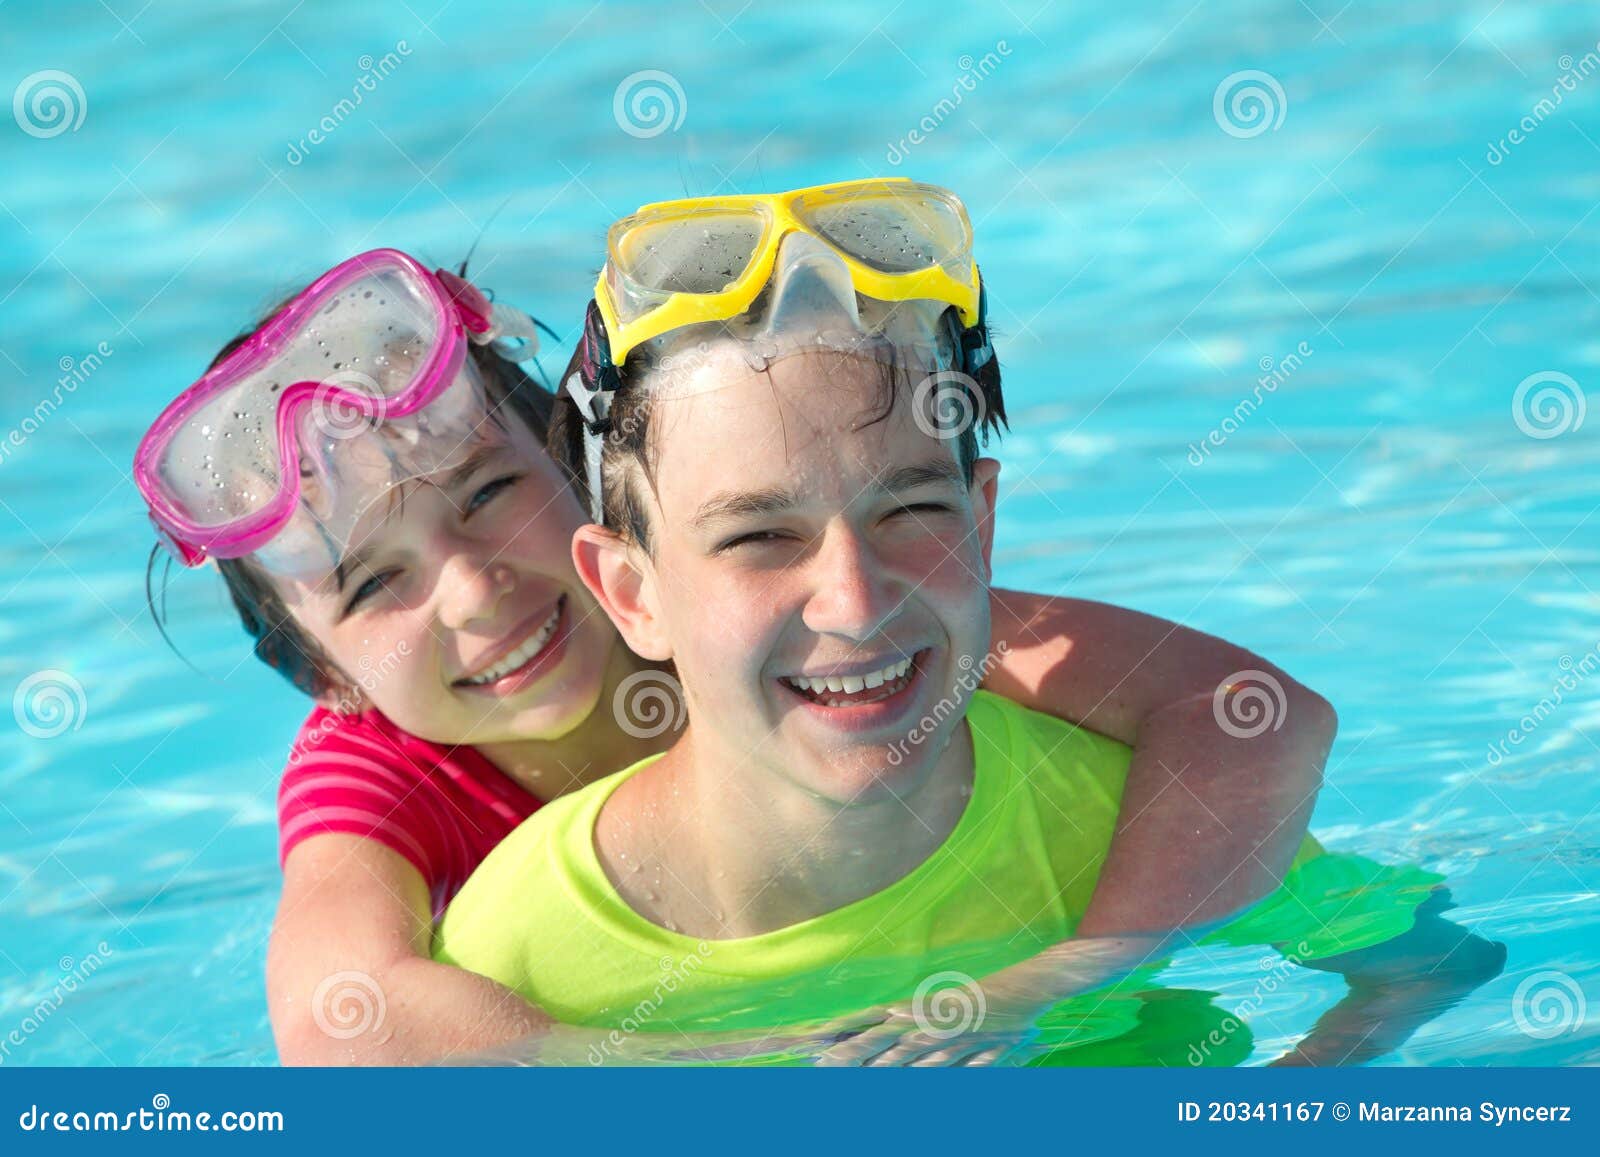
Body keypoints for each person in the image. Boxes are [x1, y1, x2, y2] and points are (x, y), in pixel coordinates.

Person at [135, 231, 1333, 1065]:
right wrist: (734, 1064)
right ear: (331, 677)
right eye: (376, 579)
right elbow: (343, 1026)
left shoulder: (792, 598)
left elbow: (1252, 714)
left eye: (490, 489)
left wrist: (1074, 972)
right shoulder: (377, 773)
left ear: (590, 484)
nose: (473, 586)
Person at [433, 178, 1502, 1065]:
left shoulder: (1128, 824)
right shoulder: (520, 954)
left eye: (909, 511)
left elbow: (1425, 964)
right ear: (631, 592)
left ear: (981, 523)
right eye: (759, 537)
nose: (854, 600)